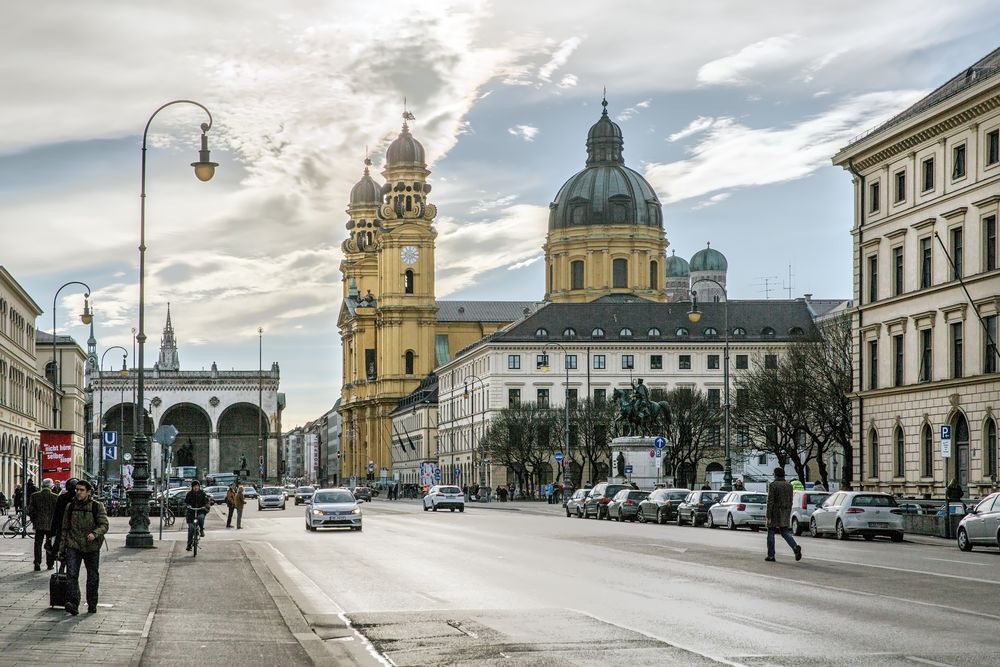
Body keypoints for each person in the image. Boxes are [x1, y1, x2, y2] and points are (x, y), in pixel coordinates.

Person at [58, 479, 108, 615]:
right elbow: (65, 528)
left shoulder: (97, 506)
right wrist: (61, 549)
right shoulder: (71, 506)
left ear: (88, 492)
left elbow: (104, 524)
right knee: (71, 575)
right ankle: (73, 603)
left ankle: (92, 604)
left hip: (91, 547)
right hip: (73, 544)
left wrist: (95, 533)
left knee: (92, 576)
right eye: (77, 490)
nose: (78, 492)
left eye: (81, 490)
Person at [765, 467, 801, 563]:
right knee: (785, 532)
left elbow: (770, 501)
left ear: (775, 475)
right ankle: (795, 547)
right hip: (785, 511)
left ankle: (771, 555)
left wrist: (768, 515)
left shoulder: (773, 485)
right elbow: (791, 500)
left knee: (771, 532)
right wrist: (788, 511)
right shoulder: (789, 485)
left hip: (774, 512)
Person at [28, 479, 59, 571]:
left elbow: (30, 510)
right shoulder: (55, 497)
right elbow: (58, 512)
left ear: (42, 486)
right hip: (51, 525)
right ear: (51, 486)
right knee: (49, 544)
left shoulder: (35, 496)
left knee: (38, 544)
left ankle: (37, 562)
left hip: (38, 524)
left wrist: (34, 520)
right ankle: (50, 564)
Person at [50, 478, 78, 559]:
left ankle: (60, 558)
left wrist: (52, 531)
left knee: (60, 545)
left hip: (61, 526)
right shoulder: (79, 499)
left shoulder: (62, 498)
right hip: (74, 528)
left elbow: (56, 515)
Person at [184, 480, 211, 551]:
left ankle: (201, 530)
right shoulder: (189, 494)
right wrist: (187, 506)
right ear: (192, 487)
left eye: (197, 486)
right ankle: (189, 545)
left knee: (200, 518)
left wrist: (205, 506)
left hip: (200, 510)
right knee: (191, 529)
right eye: (194, 486)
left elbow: (207, 502)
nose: (196, 488)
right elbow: (185, 502)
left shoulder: (202, 494)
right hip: (191, 512)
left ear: (199, 487)